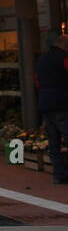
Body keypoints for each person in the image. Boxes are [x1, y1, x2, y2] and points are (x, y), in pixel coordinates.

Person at [34, 34, 68, 184]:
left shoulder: (41, 59)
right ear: (63, 43)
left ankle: (58, 174)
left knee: (53, 141)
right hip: (62, 103)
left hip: (45, 103)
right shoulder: (64, 58)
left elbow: (37, 82)